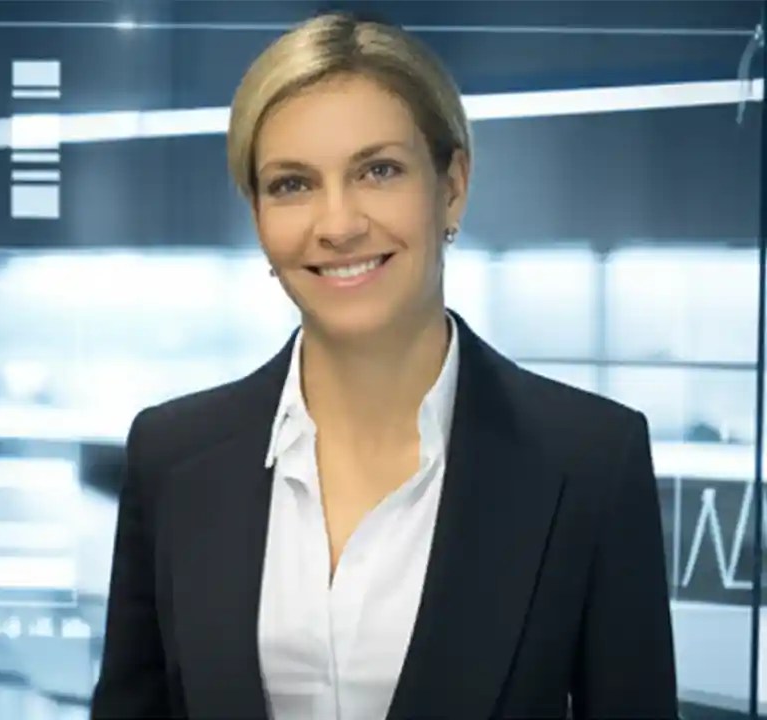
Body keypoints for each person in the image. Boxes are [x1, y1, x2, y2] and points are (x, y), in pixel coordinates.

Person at [90, 10, 677, 720]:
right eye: (292, 184)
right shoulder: (171, 456)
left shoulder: (590, 462)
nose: (338, 225)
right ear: (257, 215)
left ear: (452, 185)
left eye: (378, 171)